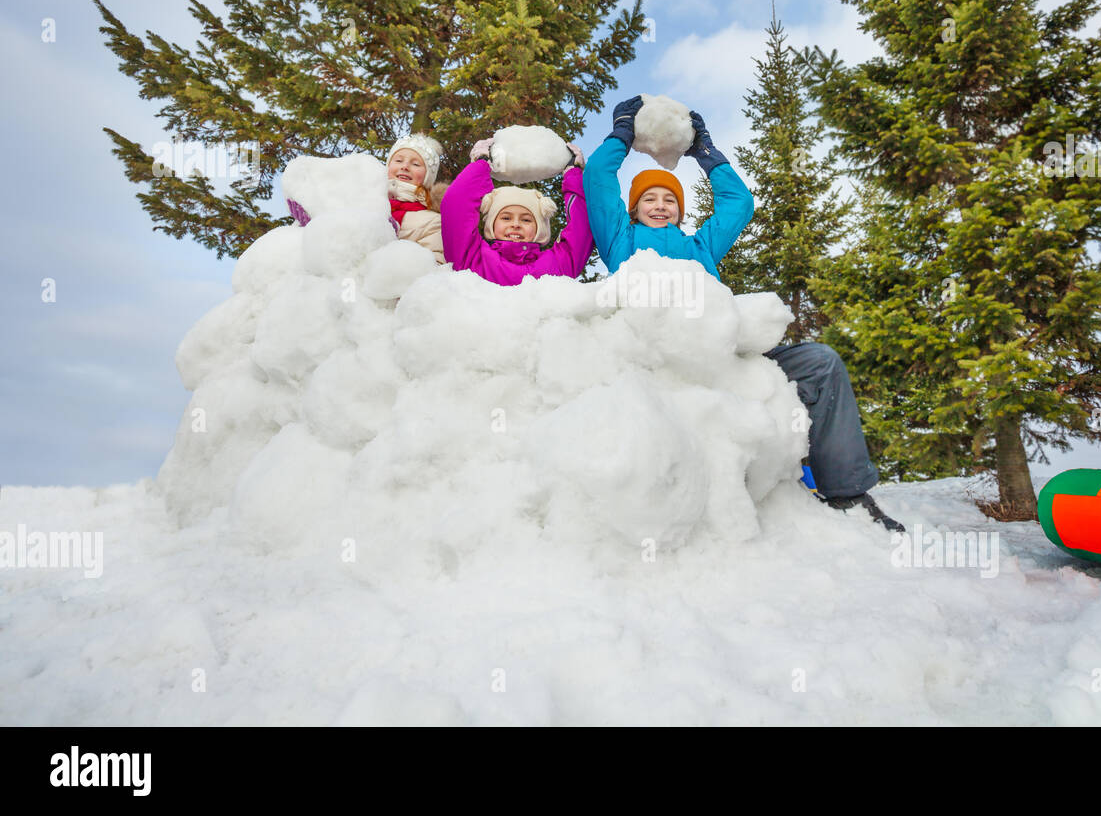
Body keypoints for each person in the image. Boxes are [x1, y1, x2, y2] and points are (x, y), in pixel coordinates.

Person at [583, 96, 902, 531]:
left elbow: (739, 204)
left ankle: (848, 493)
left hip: (725, 363)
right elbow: (598, 178)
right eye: (649, 199)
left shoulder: (702, 247)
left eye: (669, 200)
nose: (660, 205)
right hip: (657, 368)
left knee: (821, 364)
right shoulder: (620, 241)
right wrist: (622, 133)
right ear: (633, 209)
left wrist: (706, 152)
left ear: (680, 210)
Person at [439, 137, 595, 285]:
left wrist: (572, 173)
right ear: (491, 224)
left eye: (526, 219)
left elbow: (581, 229)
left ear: (540, 228)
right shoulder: (472, 258)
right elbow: (456, 204)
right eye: (506, 218)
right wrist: (481, 164)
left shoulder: (558, 263)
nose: (515, 224)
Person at [386, 134, 449, 260]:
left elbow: (435, 265)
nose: (404, 166)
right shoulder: (367, 201)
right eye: (398, 160)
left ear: (427, 177)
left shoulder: (433, 222)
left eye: (415, 164)